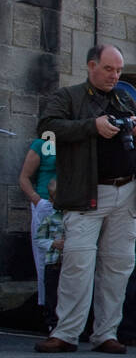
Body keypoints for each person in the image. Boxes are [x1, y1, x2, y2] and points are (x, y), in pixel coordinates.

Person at [35, 44, 136, 354]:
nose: (115, 75)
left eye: (118, 70)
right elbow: (46, 129)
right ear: (91, 66)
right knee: (77, 263)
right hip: (87, 193)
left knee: (118, 267)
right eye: (109, 69)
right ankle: (66, 333)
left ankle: (106, 333)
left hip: (126, 192)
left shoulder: (124, 98)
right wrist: (92, 126)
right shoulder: (68, 96)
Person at [18, 135, 58, 315]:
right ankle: (46, 308)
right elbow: (24, 177)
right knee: (44, 259)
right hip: (46, 203)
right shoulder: (42, 144)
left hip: (72, 205)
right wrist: (38, 201)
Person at [34, 179, 65, 333]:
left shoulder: (71, 219)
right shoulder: (50, 219)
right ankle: (52, 322)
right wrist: (52, 244)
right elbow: (39, 239)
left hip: (68, 262)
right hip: (53, 262)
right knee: (52, 295)